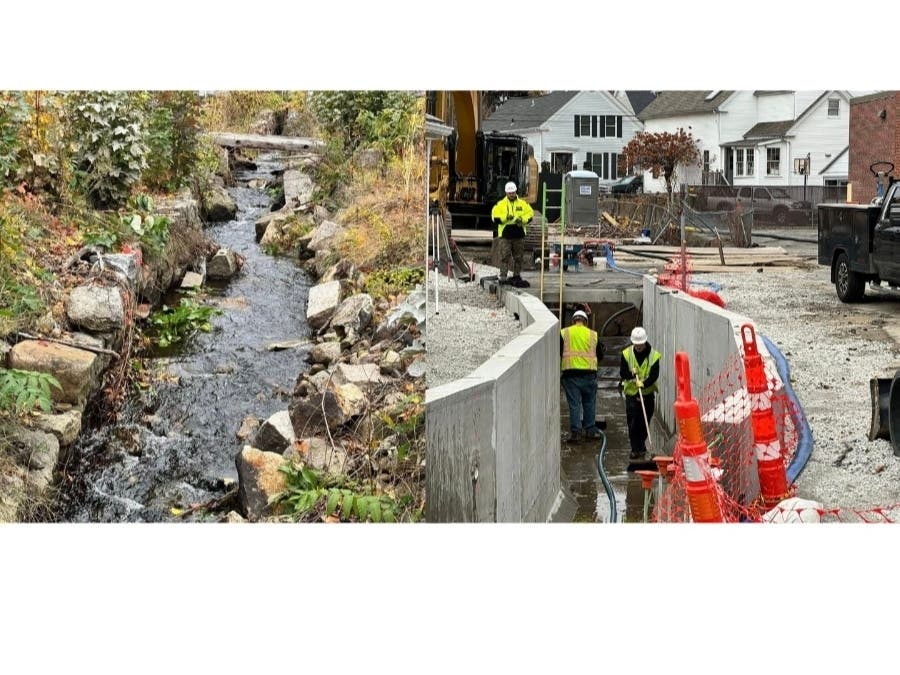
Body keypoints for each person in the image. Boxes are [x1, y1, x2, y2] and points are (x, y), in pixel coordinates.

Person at [561, 309, 605, 442]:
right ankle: (590, 430)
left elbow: (559, 351)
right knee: (589, 403)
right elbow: (600, 354)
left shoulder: (565, 333)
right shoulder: (593, 334)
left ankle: (576, 433)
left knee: (574, 404)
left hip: (571, 374)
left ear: (573, 320)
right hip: (589, 375)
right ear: (585, 321)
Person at [619, 326, 661, 460]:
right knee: (633, 423)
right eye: (635, 344)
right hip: (632, 394)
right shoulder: (626, 354)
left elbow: (654, 375)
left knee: (644, 422)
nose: (638, 346)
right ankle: (635, 449)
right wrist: (631, 373)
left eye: (640, 344)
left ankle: (641, 446)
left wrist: (644, 383)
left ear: (644, 342)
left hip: (647, 394)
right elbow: (622, 373)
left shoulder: (654, 356)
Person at [491, 181, 533, 287]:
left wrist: (522, 219)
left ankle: (517, 275)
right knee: (504, 256)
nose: (511, 195)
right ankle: (503, 276)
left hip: (518, 235)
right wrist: (506, 218)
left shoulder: (523, 204)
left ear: (515, 192)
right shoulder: (500, 205)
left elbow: (530, 214)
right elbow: (494, 217)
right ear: (506, 193)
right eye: (509, 193)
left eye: (513, 193)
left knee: (518, 257)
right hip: (505, 236)